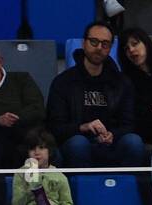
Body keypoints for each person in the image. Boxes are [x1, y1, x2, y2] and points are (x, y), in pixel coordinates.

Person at [46, 21, 144, 168]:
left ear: (110, 48)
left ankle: (126, 188)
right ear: (84, 43)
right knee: (78, 144)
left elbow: (129, 124)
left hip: (112, 143)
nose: (99, 48)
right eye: (94, 42)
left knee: (133, 142)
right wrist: (82, 127)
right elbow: (55, 127)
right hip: (77, 141)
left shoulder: (122, 82)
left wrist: (112, 134)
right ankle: (83, 188)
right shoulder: (64, 82)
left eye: (105, 44)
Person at [11, 129, 75, 205]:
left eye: (41, 148)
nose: (36, 152)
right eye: (32, 149)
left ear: (49, 151)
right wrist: (28, 189)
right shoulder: (20, 173)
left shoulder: (59, 176)